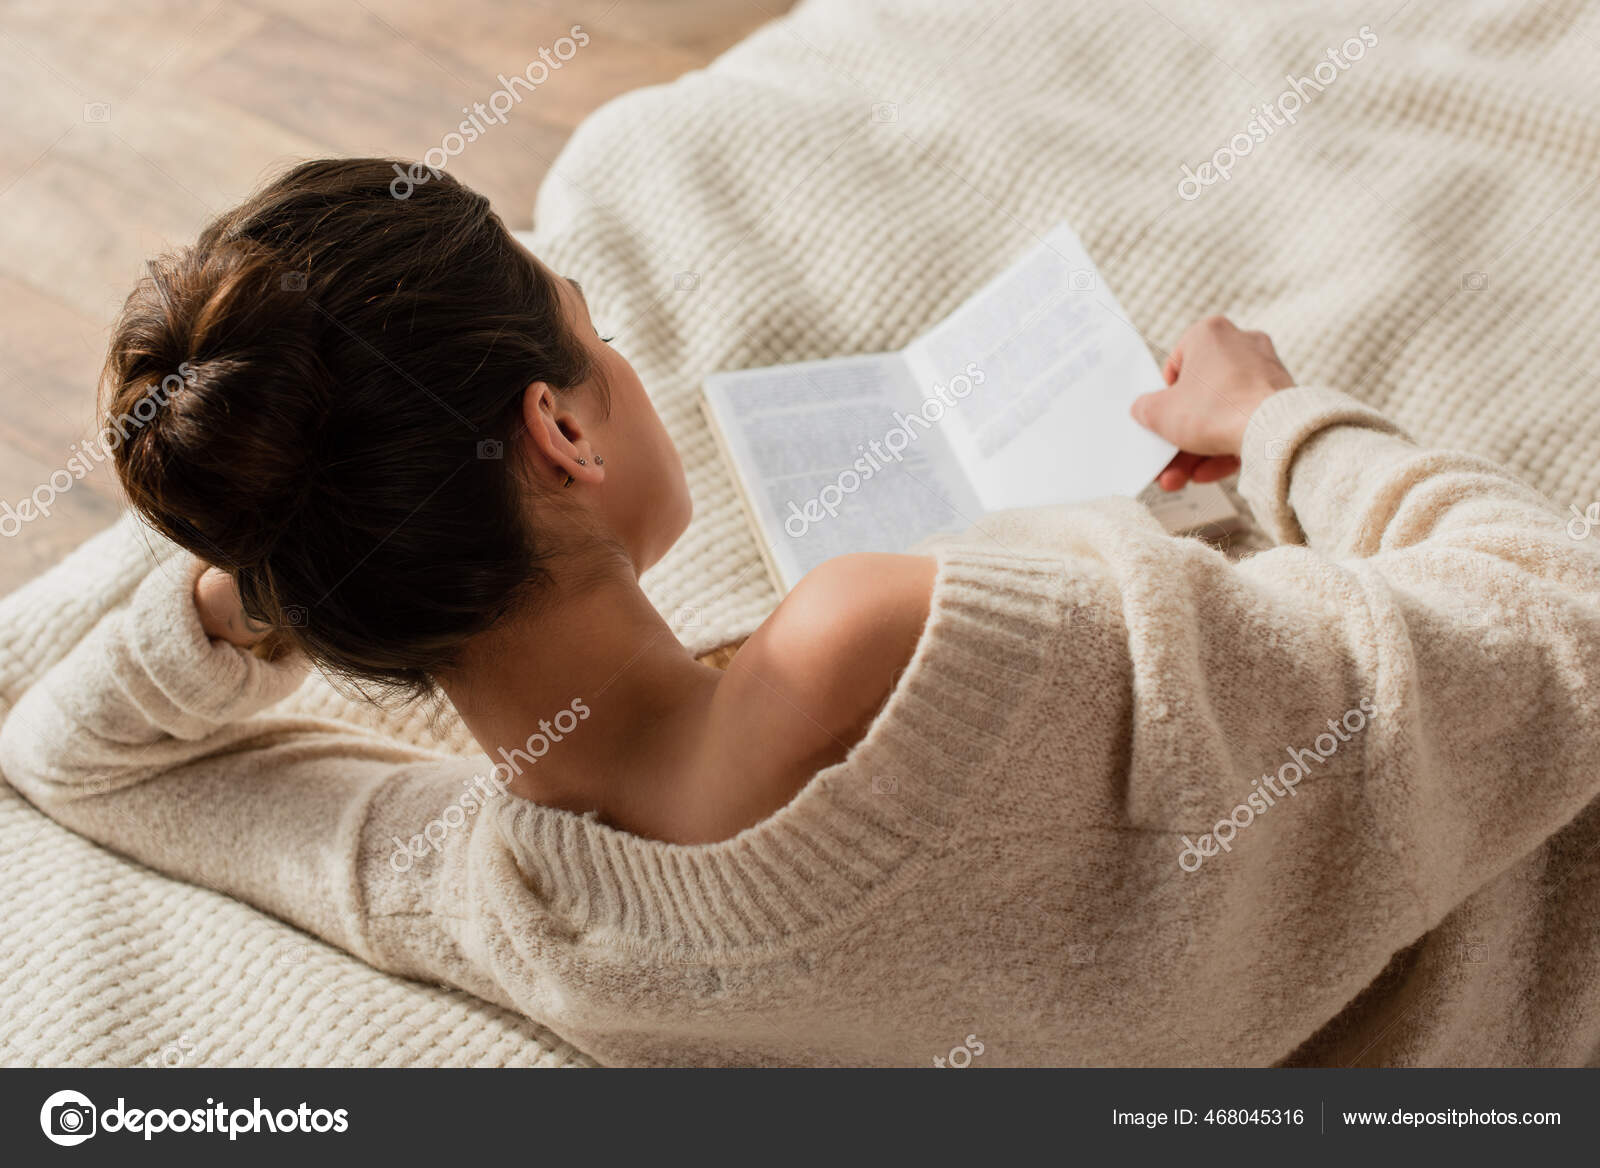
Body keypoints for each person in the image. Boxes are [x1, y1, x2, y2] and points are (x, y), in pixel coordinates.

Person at [4, 159, 1599, 1066]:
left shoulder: (503, 904)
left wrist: (287, 561)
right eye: (593, 331)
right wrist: (1279, 426)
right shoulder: (870, 630)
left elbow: (76, 760)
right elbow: (1562, 630)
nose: (628, 364)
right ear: (561, 432)